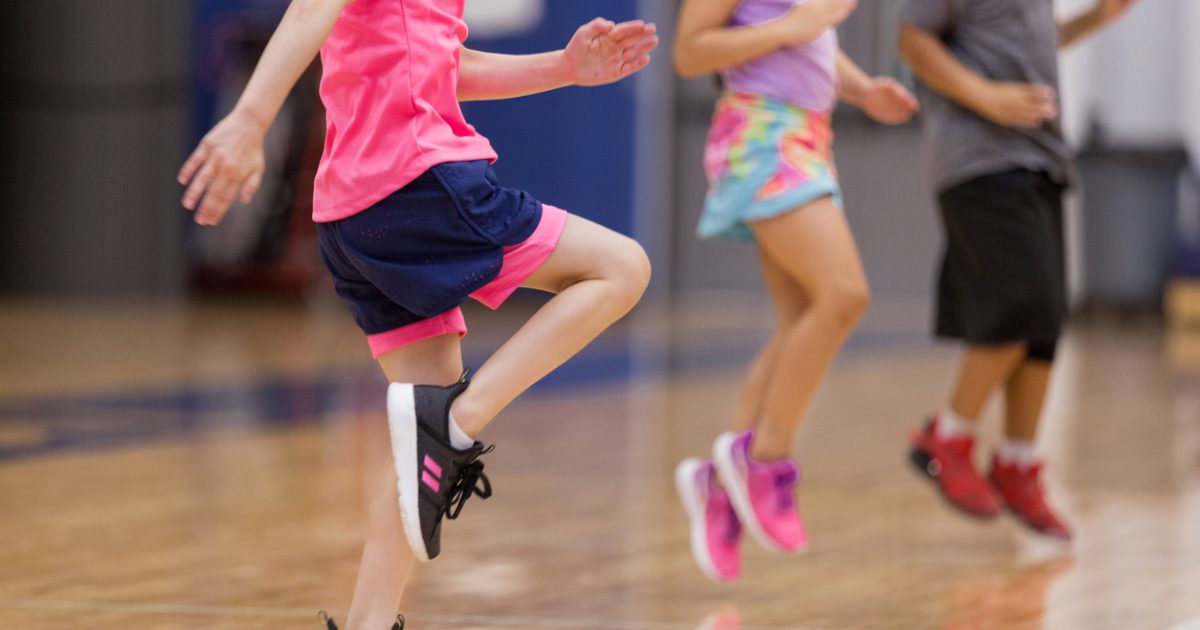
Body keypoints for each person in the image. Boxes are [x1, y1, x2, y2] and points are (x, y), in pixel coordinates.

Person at [176, 1, 658, 627]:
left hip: (352, 219)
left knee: (417, 442)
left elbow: (444, 65)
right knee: (622, 268)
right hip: (419, 183)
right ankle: (461, 422)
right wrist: (249, 118)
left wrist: (563, 67)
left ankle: (369, 622)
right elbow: (307, 14)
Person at [672, 0, 918, 582]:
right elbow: (689, 52)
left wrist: (861, 89)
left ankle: (721, 488)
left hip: (807, 135)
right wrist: (793, 25)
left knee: (801, 318)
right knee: (844, 295)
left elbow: (810, 42)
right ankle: (765, 457)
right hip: (763, 133)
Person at [898, 0, 1136, 539]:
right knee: (1020, 303)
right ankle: (947, 438)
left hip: (1039, 156)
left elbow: (1020, 43)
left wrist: (1095, 18)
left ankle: (1017, 464)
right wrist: (985, 97)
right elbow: (913, 41)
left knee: (1045, 322)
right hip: (980, 156)